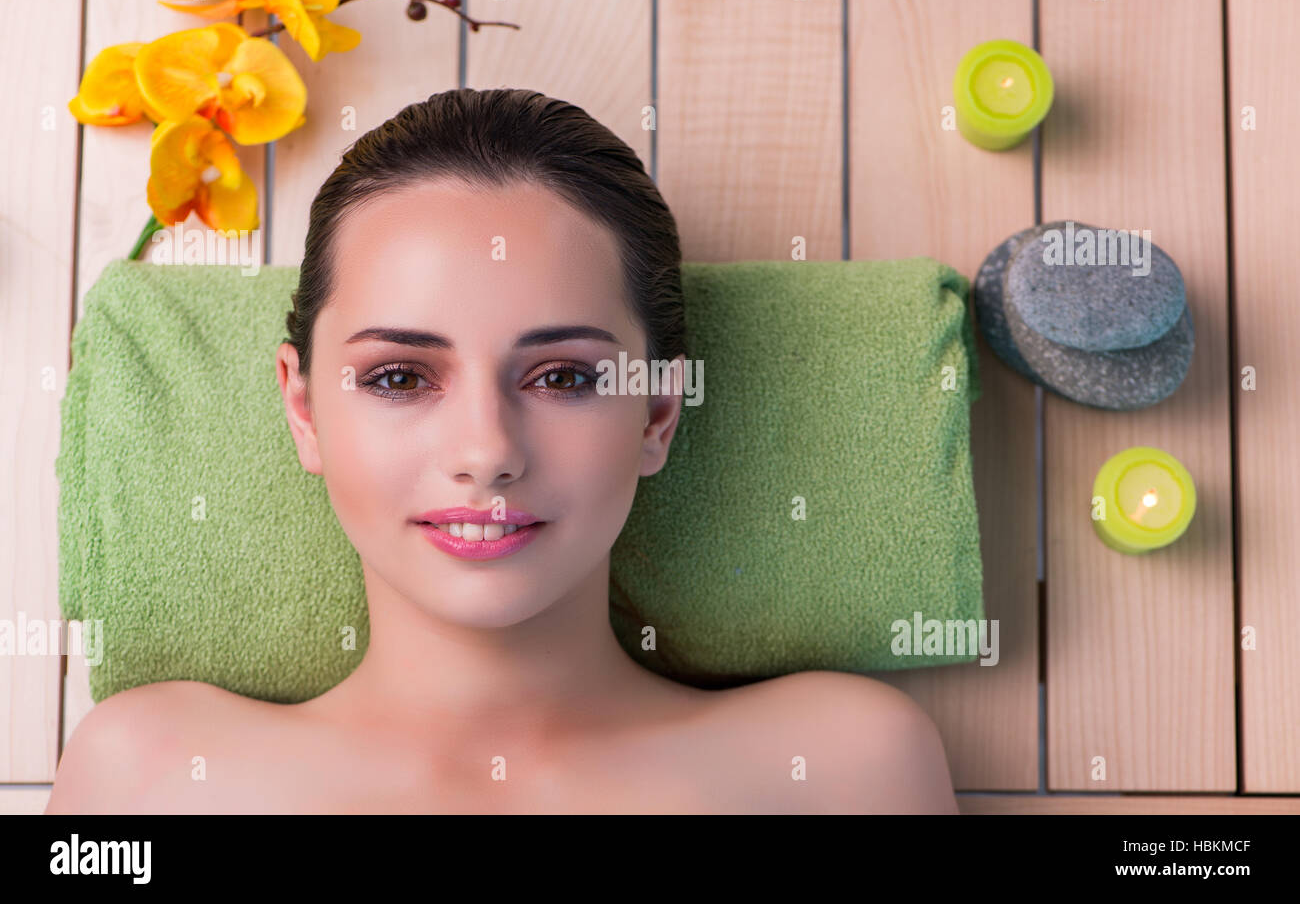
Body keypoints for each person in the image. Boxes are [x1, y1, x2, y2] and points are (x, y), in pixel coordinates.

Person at [46, 88, 957, 814]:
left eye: (563, 378)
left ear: (658, 413)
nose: (487, 453)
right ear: (303, 408)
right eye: (401, 378)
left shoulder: (846, 766)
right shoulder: (150, 774)